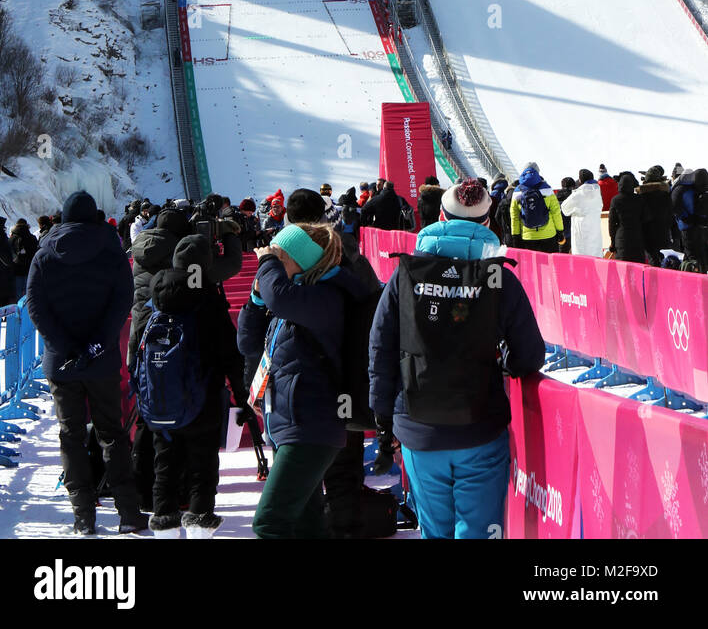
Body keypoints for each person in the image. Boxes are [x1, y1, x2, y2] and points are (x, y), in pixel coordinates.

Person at [369, 179, 545, 540]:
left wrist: (384, 419)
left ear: (439, 217)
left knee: (435, 533)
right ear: (487, 225)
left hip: (418, 428)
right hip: (481, 428)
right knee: (479, 532)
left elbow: (380, 347)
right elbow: (529, 356)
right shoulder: (500, 279)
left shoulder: (404, 275)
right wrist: (504, 361)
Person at [238, 222, 369, 539]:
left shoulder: (325, 298)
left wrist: (267, 265)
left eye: (280, 256)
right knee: (307, 525)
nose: (273, 262)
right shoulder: (297, 297)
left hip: (311, 426)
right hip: (290, 422)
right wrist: (256, 301)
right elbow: (248, 343)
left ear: (303, 261)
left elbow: (280, 297)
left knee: (270, 523)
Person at [26, 191, 146, 536]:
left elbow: (36, 306)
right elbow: (123, 300)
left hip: (61, 363)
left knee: (71, 436)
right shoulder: (110, 250)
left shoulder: (45, 253)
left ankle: (83, 515)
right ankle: (127, 511)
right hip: (101, 360)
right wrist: (96, 344)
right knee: (113, 434)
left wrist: (64, 347)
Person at [146, 234, 251, 539]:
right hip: (203, 398)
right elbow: (228, 352)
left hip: (161, 399)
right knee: (202, 466)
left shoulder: (158, 297)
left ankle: (164, 527)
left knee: (164, 465)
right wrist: (241, 395)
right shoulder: (208, 300)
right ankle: (199, 528)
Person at [127, 206, 195, 509]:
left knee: (146, 412)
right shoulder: (177, 253)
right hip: (168, 335)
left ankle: (140, 484)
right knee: (174, 412)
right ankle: (174, 487)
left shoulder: (141, 247)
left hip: (140, 333)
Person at [509, 164, 564, 253]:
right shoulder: (547, 189)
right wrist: (560, 231)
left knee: (532, 265)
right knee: (549, 264)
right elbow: (556, 212)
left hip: (528, 237)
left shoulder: (517, 191)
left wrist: (515, 236)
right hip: (548, 235)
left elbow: (514, 217)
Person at [560, 169, 604, 256]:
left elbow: (564, 208)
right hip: (595, 233)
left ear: (580, 180)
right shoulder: (597, 192)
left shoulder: (579, 194)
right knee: (595, 258)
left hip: (581, 235)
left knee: (582, 260)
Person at [671, 168, 708, 272]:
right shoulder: (694, 189)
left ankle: (693, 279)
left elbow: (675, 207)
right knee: (698, 254)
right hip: (698, 226)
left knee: (692, 255)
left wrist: (686, 219)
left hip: (688, 226)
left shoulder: (682, 189)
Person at [637, 167, 674, 266]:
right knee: (666, 262)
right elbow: (671, 215)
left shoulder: (642, 196)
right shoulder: (666, 195)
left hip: (648, 234)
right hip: (664, 233)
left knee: (653, 261)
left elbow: (640, 217)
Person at [608, 173, 646, 263]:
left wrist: (613, 242)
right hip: (637, 237)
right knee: (638, 269)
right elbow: (645, 219)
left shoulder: (615, 200)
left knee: (623, 270)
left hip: (621, 239)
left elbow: (612, 224)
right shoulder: (639, 199)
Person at [9, 218, 39, 299]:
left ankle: (19, 308)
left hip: (16, 268)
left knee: (18, 291)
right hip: (29, 268)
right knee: (28, 291)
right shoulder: (32, 237)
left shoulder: (12, 239)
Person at [554, 178, 576, 252]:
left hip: (557, 232)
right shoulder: (573, 197)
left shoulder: (555, 197)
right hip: (571, 232)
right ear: (573, 186)